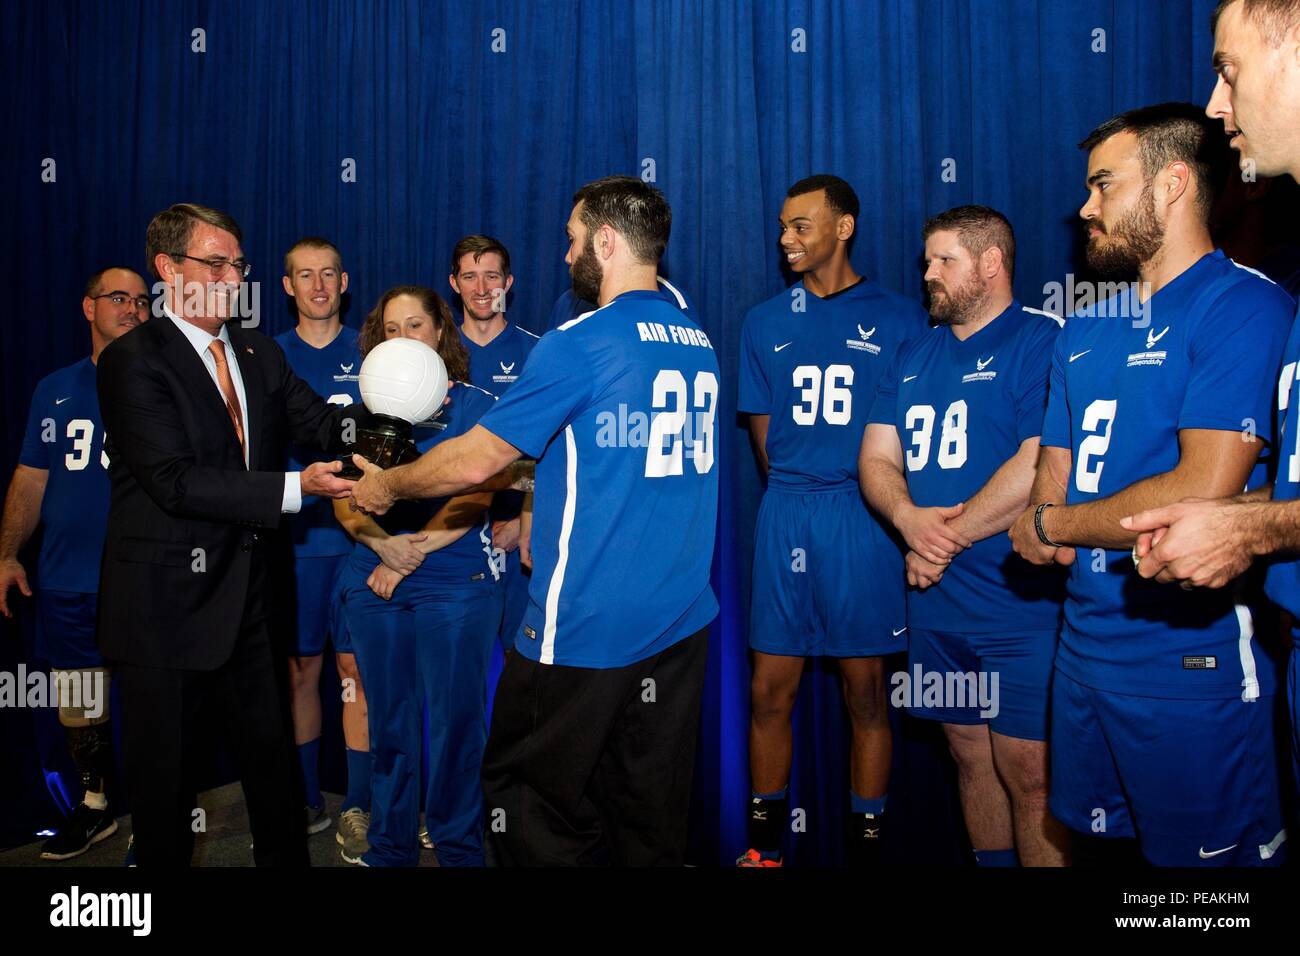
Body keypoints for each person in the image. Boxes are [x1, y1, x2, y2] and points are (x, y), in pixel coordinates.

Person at [350, 176, 719, 865]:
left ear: (606, 242)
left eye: (575, 238)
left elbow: (475, 461)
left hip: (584, 626)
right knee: (644, 808)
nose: (567, 253)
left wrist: (388, 484)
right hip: (679, 623)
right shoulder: (693, 335)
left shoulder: (579, 340)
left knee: (528, 807)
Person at [1008, 103, 1294, 866]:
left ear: (1171, 184)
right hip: (1081, 651)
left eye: (1104, 185)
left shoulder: (1246, 305)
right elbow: (1049, 479)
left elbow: (1202, 487)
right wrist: (1045, 522)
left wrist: (1055, 527)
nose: (1085, 207)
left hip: (1189, 662)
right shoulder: (1084, 328)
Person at [96, 202, 356, 866]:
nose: (233, 276)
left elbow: (324, 428)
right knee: (165, 802)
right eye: (215, 262)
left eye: (238, 263)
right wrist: (299, 489)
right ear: (167, 268)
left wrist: (407, 424)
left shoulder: (256, 351)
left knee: (275, 789)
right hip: (164, 621)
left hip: (254, 610)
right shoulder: (131, 361)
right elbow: (177, 481)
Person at [1123, 0, 1300, 801]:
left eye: (1230, 71)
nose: (1215, 106)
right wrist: (1247, 518)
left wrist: (1251, 527)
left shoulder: (1245, 301)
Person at [862, 207, 1068, 866]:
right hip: (936, 606)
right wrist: (906, 519)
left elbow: (1039, 462)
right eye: (927, 261)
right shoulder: (911, 352)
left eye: (943, 259)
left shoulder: (1042, 339)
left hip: (1021, 603)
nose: (928, 274)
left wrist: (938, 542)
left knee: (1030, 773)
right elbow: (875, 459)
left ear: (990, 263)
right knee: (967, 755)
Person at [736, 174, 928, 867]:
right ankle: (763, 851)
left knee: (867, 690)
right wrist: (801, 489)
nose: (787, 239)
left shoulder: (904, 318)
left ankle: (867, 847)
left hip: (863, 517)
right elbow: (765, 442)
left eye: (802, 226)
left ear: (843, 227)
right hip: (788, 512)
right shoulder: (763, 321)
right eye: (783, 226)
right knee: (767, 690)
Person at [334, 285, 501, 867]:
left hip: (454, 582)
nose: (401, 338)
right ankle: (390, 848)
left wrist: (411, 552)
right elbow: (341, 499)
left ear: (439, 334)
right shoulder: (358, 413)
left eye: (414, 325)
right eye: (389, 328)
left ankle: (459, 850)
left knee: (456, 727)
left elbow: (480, 493)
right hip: (374, 578)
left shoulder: (475, 408)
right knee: (390, 724)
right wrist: (383, 547)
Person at [0, 267, 148, 860]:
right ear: (89, 309)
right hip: (66, 578)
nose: (133, 309)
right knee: (80, 698)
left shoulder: (164, 386)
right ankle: (94, 804)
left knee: (147, 701)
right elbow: (31, 480)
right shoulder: (54, 389)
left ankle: (156, 817)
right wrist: (8, 552)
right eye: (119, 298)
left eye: (142, 301)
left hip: (141, 580)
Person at [273, 237, 370, 854]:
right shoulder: (264, 356)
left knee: (356, 671)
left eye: (327, 274)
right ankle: (305, 795)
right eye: (304, 276)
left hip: (363, 540)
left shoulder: (374, 351)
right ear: (287, 286)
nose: (316, 286)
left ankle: (358, 803)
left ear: (343, 281)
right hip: (297, 541)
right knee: (300, 669)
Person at [448, 235, 538, 654]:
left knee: (524, 673)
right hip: (453, 538)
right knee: (459, 677)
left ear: (509, 281)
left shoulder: (539, 353)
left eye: (491, 276)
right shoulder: (434, 358)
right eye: (470, 276)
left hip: (521, 537)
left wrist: (526, 521)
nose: (482, 289)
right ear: (454, 283)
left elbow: (556, 452)